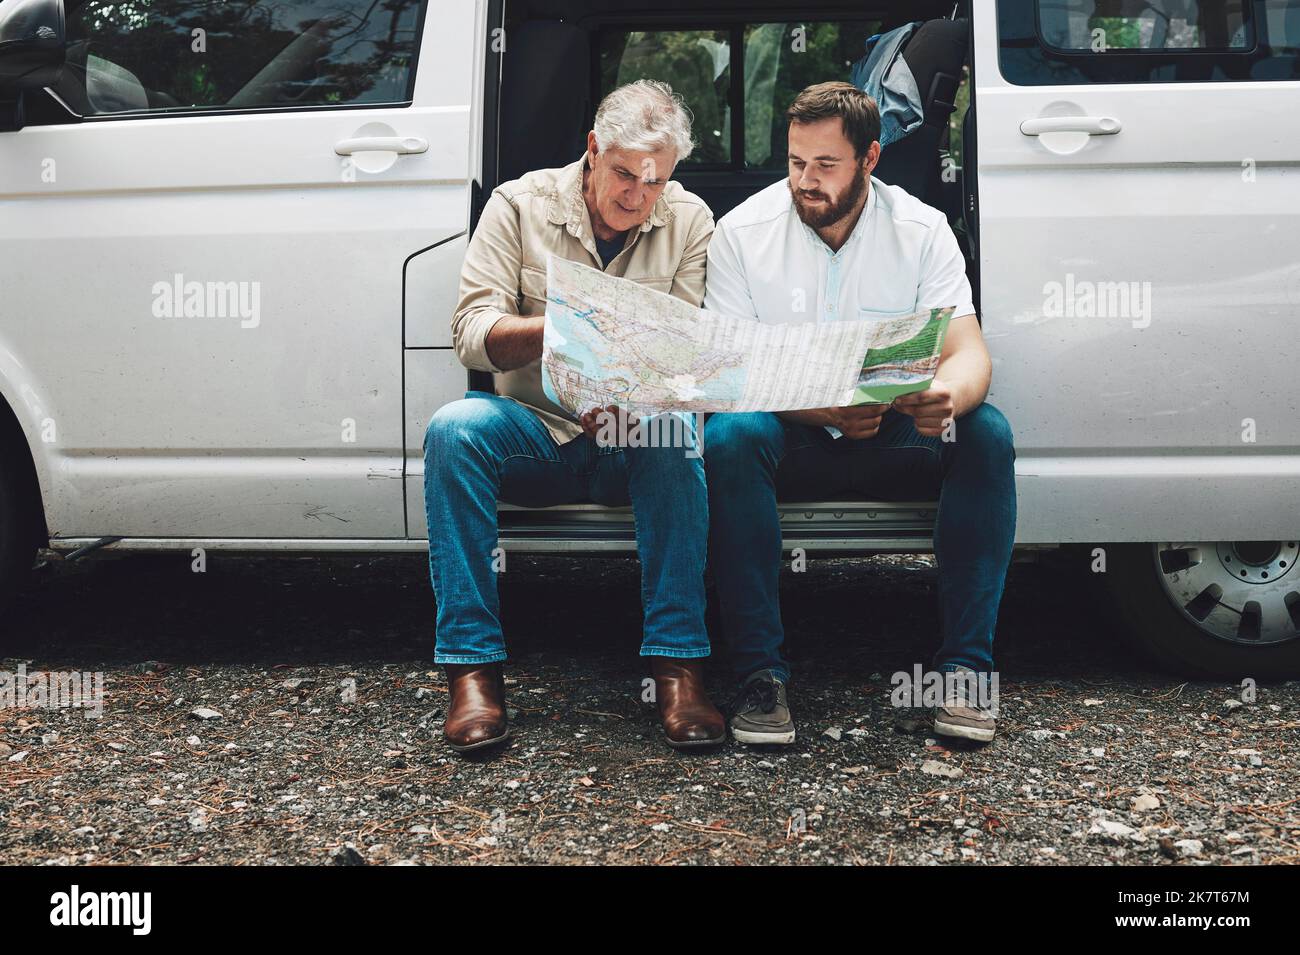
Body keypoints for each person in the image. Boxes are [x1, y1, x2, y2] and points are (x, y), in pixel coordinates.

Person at [702, 81, 1016, 746]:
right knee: (730, 433)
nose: (805, 181)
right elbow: (724, 372)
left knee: (985, 430)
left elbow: (970, 352)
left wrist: (946, 396)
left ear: (869, 158)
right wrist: (814, 406)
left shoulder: (922, 230)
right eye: (794, 163)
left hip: (895, 437)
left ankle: (966, 670)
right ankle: (760, 675)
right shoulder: (741, 235)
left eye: (825, 165)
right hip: (793, 442)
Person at [425, 80, 725, 754]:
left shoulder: (691, 220)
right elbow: (472, 333)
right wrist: (561, 326)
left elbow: (690, 354)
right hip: (537, 430)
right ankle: (471, 670)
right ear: (592, 150)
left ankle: (679, 666)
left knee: (677, 432)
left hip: (636, 437)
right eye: (623, 174)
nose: (636, 197)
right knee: (453, 431)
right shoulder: (518, 204)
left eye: (654, 181)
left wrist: (641, 393)